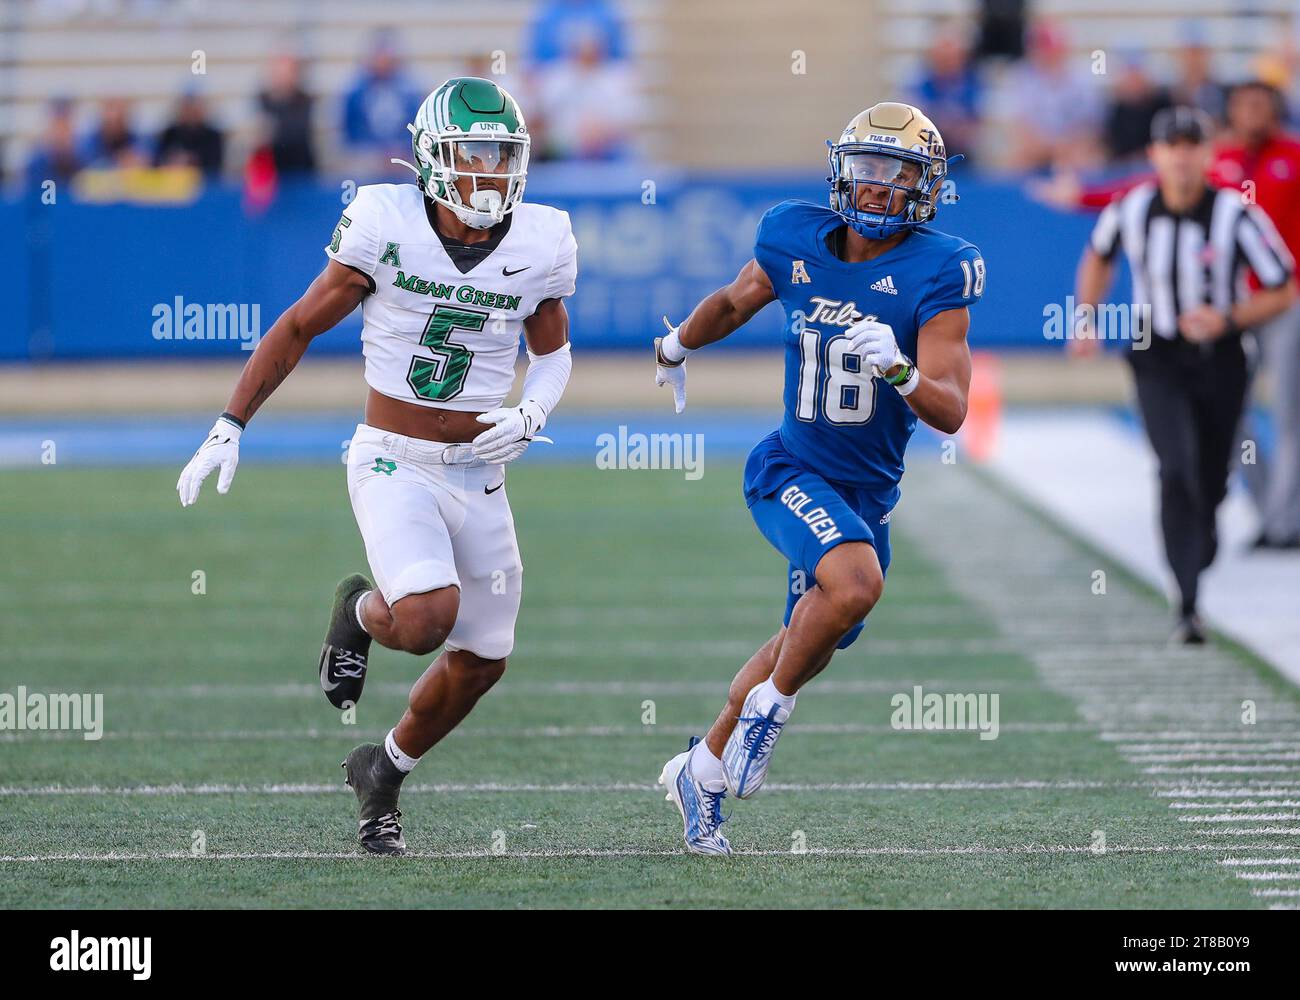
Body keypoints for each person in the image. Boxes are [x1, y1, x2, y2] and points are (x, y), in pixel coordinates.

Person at [175, 78, 578, 855]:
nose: (490, 173)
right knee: (426, 620)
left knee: (485, 660)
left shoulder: (542, 240)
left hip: (479, 472)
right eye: (474, 154)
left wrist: (532, 413)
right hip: (393, 460)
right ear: (431, 158)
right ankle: (360, 613)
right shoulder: (384, 224)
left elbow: (553, 354)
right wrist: (231, 423)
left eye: (502, 155)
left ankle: (382, 771)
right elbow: (297, 325)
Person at [652, 103, 984, 854]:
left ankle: (700, 773)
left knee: (807, 635)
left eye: (897, 176)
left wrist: (899, 370)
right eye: (866, 171)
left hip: (869, 492)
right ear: (842, 172)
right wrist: (674, 345)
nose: (876, 190)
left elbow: (954, 411)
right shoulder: (793, 233)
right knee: (856, 584)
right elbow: (737, 300)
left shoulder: (940, 266)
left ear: (927, 187)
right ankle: (769, 713)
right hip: (790, 467)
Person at [1074, 107, 1296, 642]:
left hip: (1220, 357)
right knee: (1175, 468)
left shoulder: (1236, 214)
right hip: (1156, 354)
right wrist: (1087, 317)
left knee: (1211, 476)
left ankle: (1206, 528)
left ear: (1207, 154)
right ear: (1155, 154)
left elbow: (1282, 286)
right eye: (1171, 146)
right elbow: (1098, 256)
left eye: (1191, 145)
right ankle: (1188, 602)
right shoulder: (1131, 208)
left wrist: (1228, 318)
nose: (1181, 156)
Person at [1212, 82, 1300, 549]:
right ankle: (1273, 510)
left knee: (1288, 414)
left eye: (1260, 106)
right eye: (1243, 105)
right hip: (1238, 305)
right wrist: (1083, 196)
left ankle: (1285, 524)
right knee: (1232, 413)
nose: (1251, 114)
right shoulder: (1219, 159)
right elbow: (1149, 189)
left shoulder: (1293, 155)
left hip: (1286, 300)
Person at [154, 92, 224, 176]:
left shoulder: (213, 136)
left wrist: (191, 160)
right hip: (172, 180)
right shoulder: (170, 133)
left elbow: (215, 164)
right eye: (187, 109)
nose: (191, 113)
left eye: (194, 109)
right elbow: (158, 160)